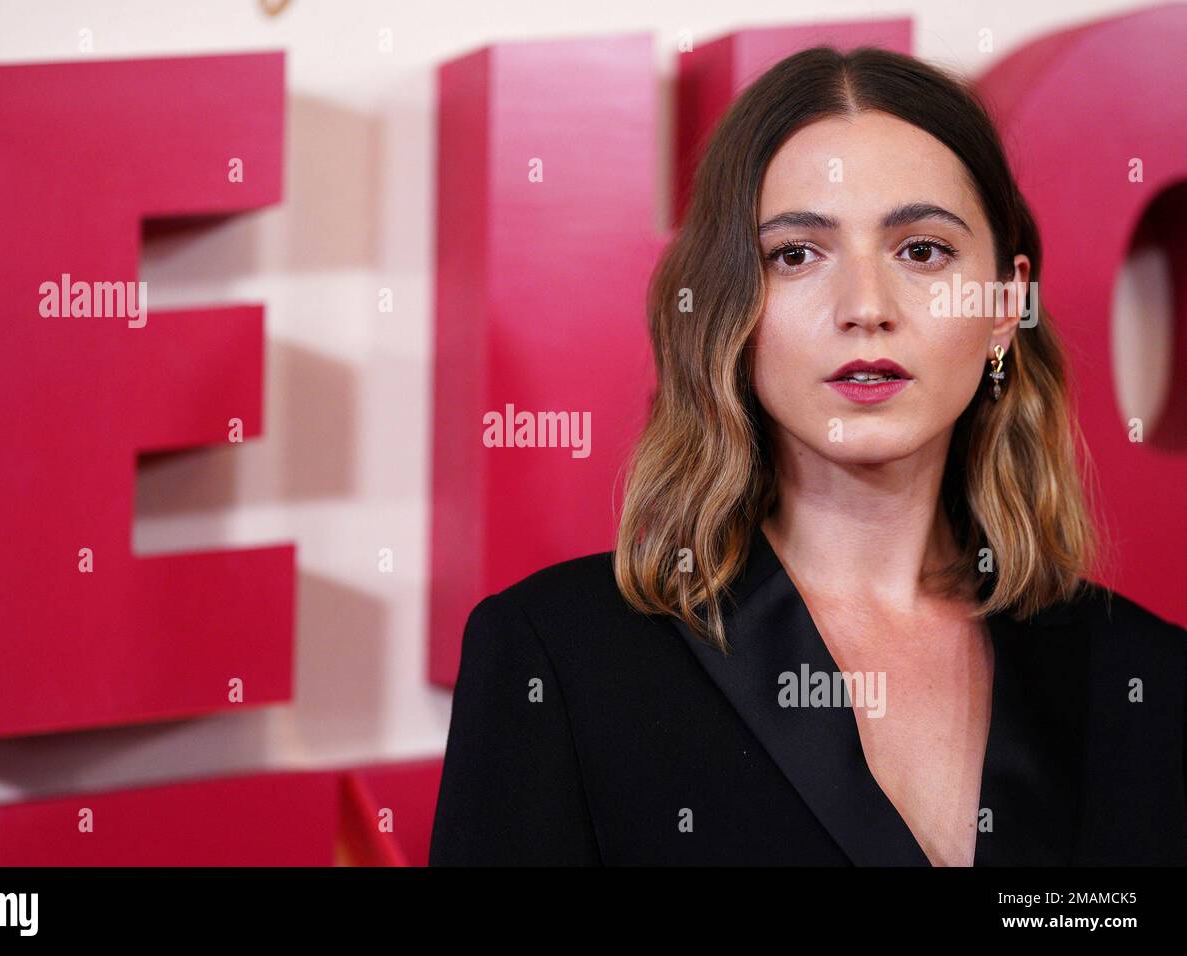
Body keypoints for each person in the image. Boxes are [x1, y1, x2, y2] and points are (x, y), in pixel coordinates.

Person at [428, 45, 1187, 866]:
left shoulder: (1147, 679)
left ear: (1005, 306)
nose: (865, 308)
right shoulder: (560, 659)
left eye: (922, 250)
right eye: (795, 254)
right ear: (729, 310)